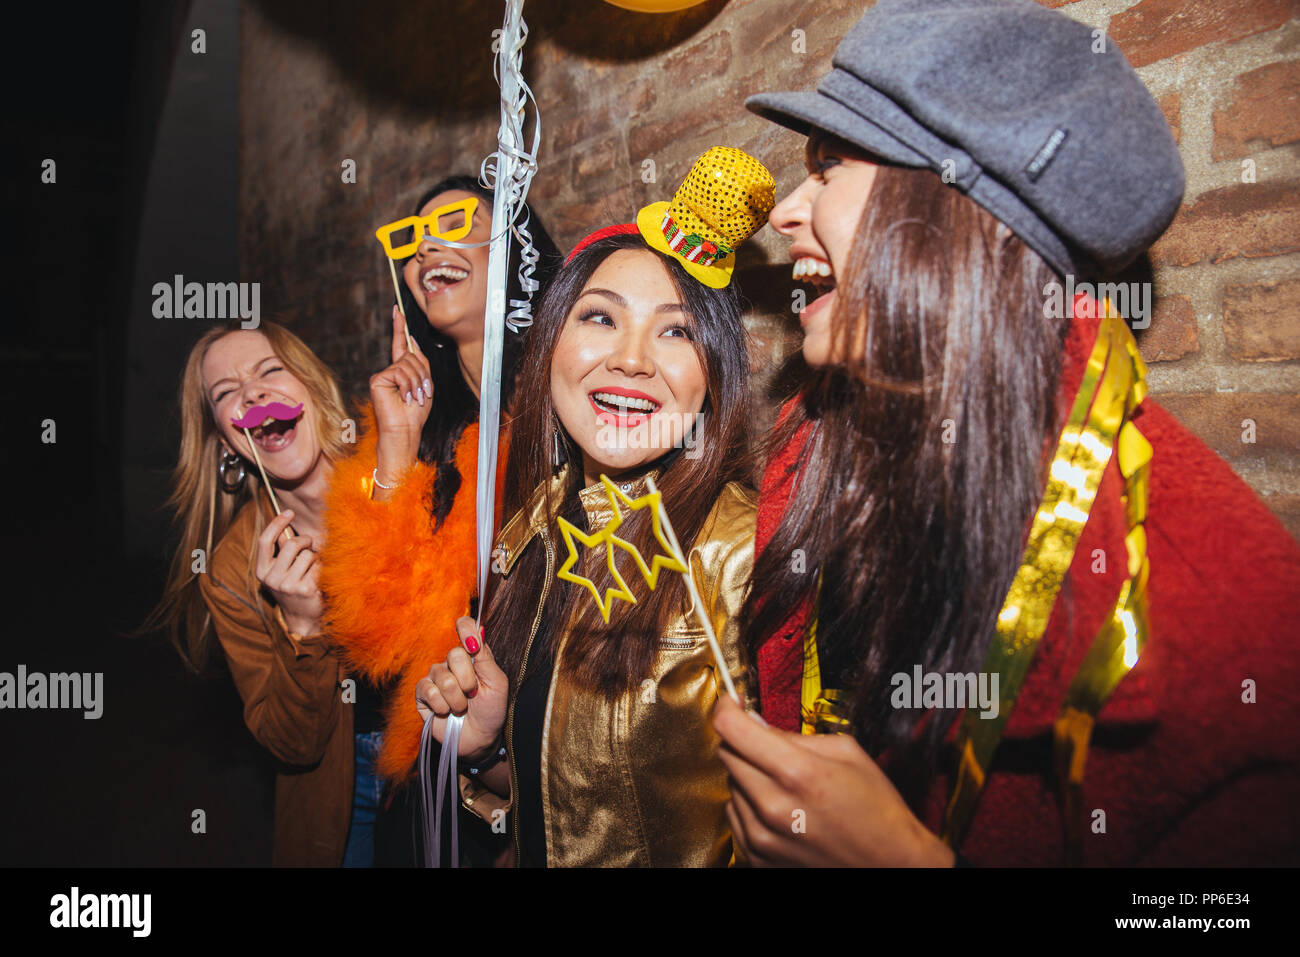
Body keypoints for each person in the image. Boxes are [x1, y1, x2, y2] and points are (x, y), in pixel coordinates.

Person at [713, 0, 1300, 867]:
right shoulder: (813, 442)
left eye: (830, 166)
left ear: (957, 213)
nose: (786, 211)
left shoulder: (1229, 614)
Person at [413, 148, 774, 866]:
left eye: (675, 330)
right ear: (551, 344)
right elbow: (561, 808)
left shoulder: (743, 551)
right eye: (601, 318)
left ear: (715, 371)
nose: (632, 359)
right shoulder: (534, 526)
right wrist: (483, 747)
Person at [318, 177, 560, 863]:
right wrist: (395, 447)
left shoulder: (571, 408)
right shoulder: (419, 435)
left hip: (548, 791)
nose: (426, 248)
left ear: (515, 248)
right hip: (432, 796)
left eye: (454, 222)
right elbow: (371, 637)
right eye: (412, 242)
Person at [146, 321, 381, 866]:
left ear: (313, 388)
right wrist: (303, 627)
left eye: (270, 371)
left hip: (451, 764)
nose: (251, 394)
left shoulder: (397, 464)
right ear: (228, 443)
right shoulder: (230, 571)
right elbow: (291, 745)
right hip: (346, 796)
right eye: (226, 393)